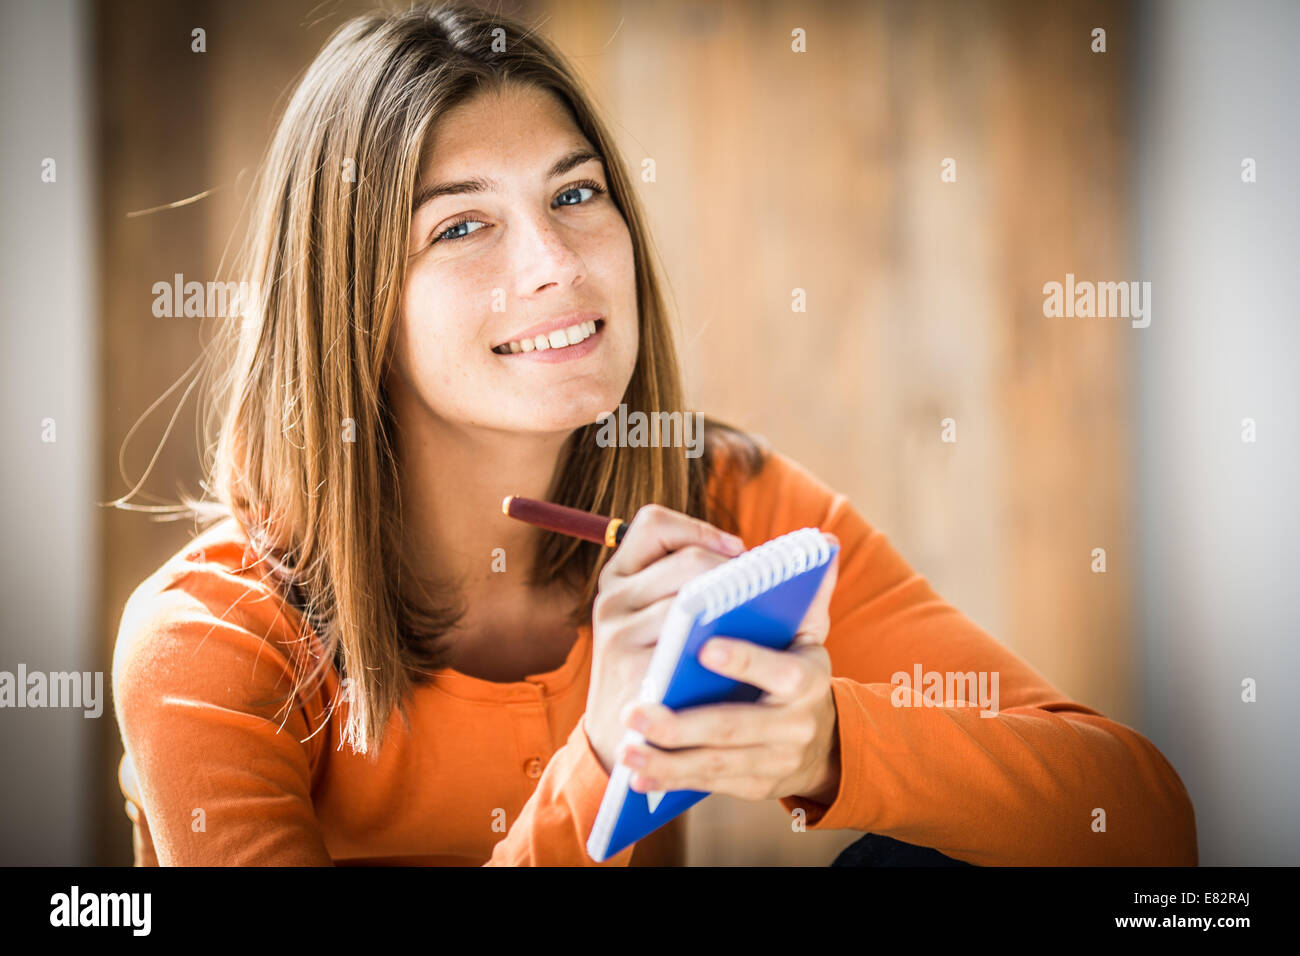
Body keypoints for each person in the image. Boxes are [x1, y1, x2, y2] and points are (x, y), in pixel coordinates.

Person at [110, 2, 1198, 866]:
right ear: (344, 299)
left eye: (575, 194)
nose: (555, 262)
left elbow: (1137, 818)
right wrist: (596, 757)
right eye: (462, 224)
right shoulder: (210, 639)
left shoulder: (726, 503)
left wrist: (831, 744)